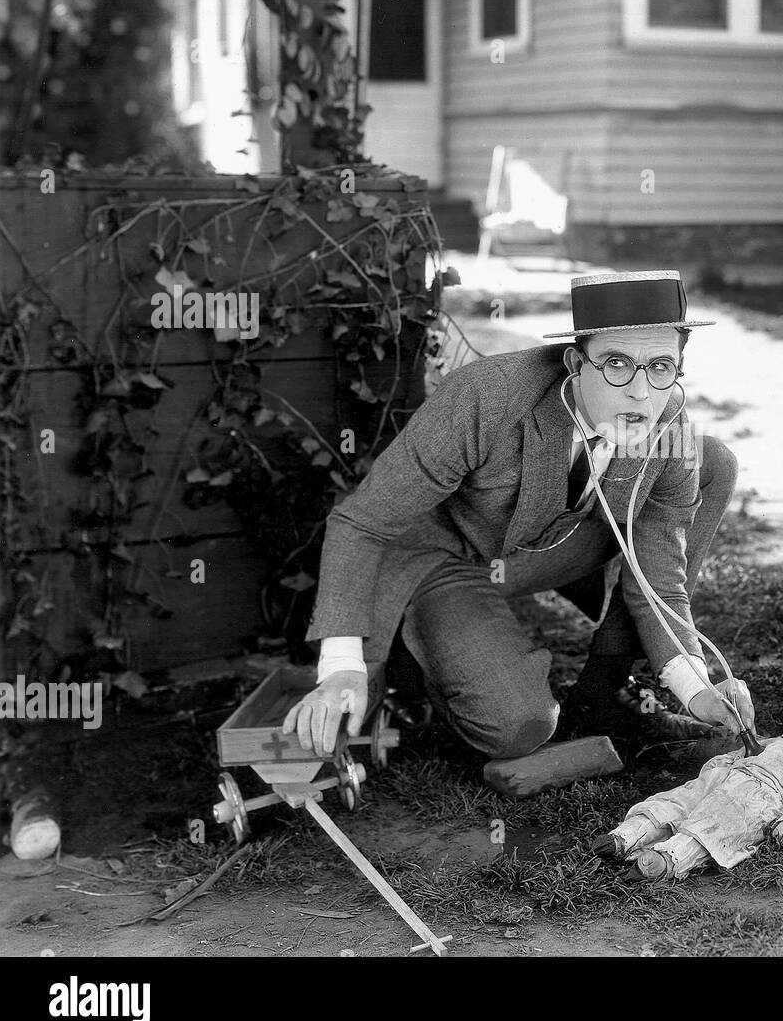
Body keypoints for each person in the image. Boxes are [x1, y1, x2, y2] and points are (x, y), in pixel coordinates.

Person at [283, 270, 754, 759]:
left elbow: (661, 578)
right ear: (576, 362)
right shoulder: (486, 397)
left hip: (548, 546)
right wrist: (341, 665)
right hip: (450, 557)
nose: (641, 393)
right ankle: (419, 661)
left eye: (660, 366)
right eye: (617, 364)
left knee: (711, 461)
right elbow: (363, 522)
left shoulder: (666, 415)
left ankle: (606, 687)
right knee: (519, 726)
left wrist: (696, 687)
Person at [593, 685, 783, 880]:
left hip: (749, 800)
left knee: (715, 823)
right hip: (718, 780)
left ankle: (668, 859)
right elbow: (735, 756)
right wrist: (721, 766)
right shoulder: (768, 743)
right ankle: (627, 836)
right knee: (679, 802)